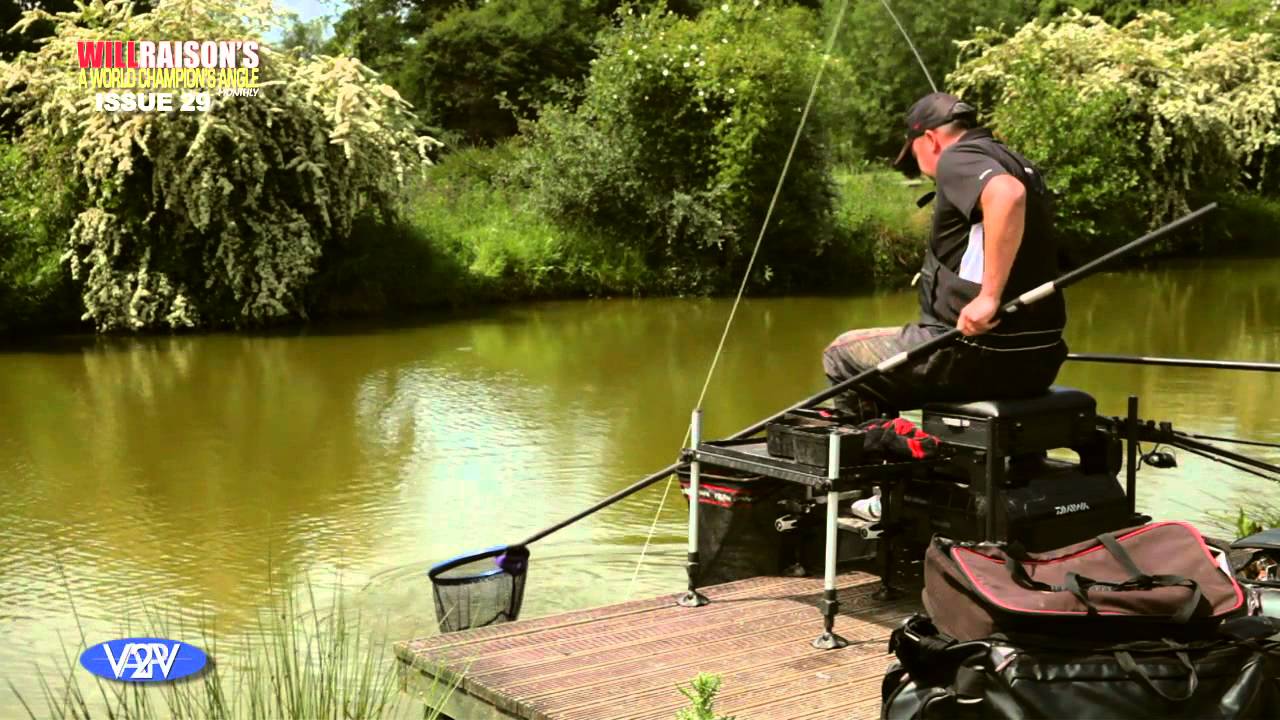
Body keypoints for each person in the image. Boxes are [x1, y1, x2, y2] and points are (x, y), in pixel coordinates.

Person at [826, 92, 1068, 522]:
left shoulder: (958, 158)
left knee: (842, 356)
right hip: (1039, 358)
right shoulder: (1019, 162)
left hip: (973, 354)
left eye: (914, 152)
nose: (918, 164)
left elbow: (1006, 195)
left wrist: (988, 297)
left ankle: (877, 491)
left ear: (931, 139)